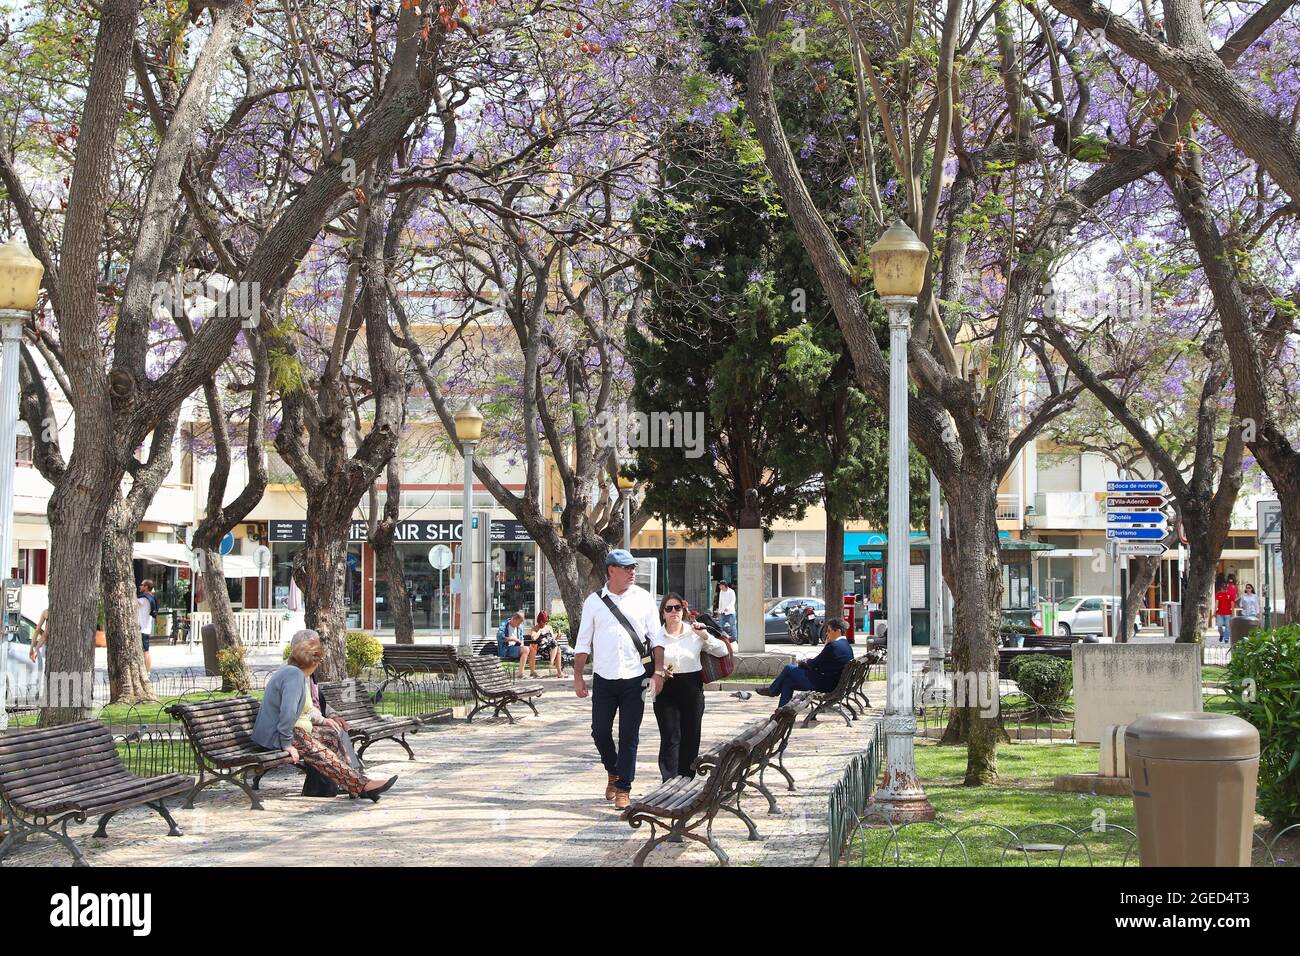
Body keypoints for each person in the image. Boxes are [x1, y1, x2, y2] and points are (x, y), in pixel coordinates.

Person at [251, 634, 397, 802]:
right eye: (319, 661)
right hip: (277, 735)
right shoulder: (294, 676)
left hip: (291, 730)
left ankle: (354, 785)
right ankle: (363, 785)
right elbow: (288, 712)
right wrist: (287, 744)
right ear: (313, 662)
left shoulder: (295, 673)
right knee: (317, 750)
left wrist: (324, 719)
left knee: (331, 735)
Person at [573, 549, 664, 811]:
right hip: (604, 677)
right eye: (626, 568)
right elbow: (583, 642)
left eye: (633, 567)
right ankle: (613, 770)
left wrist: (657, 672)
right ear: (611, 570)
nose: (632, 572)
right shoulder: (594, 601)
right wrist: (578, 676)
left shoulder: (644, 599)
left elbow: (656, 639)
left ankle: (624, 786)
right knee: (599, 731)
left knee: (629, 735)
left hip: (634, 678)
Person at [654, 592, 729, 782]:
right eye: (668, 608)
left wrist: (705, 635)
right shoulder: (656, 636)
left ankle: (686, 777)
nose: (673, 612)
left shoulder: (694, 632)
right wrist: (658, 669)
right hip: (666, 689)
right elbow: (645, 659)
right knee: (670, 736)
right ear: (663, 613)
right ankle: (669, 779)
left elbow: (722, 651)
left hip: (692, 687)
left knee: (691, 735)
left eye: (677, 608)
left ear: (683, 610)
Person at [287, 630, 362, 794]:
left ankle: (352, 775)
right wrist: (323, 719)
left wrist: (333, 715)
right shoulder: (294, 673)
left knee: (338, 728)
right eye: (314, 645)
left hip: (307, 723)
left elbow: (319, 701)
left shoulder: (308, 672)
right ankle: (349, 779)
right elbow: (303, 707)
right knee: (332, 732)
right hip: (300, 725)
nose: (319, 650)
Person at [756, 618, 853, 706]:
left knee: (789, 668)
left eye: (829, 631)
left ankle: (772, 691)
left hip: (824, 684)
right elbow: (823, 663)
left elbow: (815, 664)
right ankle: (781, 712)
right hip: (832, 683)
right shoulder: (846, 645)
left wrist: (806, 662)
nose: (827, 634)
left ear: (838, 631)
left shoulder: (834, 646)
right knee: (788, 682)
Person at [532, 610, 564, 679]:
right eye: (543, 621)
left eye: (546, 621)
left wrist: (558, 636)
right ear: (539, 620)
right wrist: (540, 631)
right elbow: (533, 638)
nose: (545, 623)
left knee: (557, 647)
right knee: (557, 648)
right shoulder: (535, 628)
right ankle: (558, 671)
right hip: (543, 650)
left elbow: (553, 638)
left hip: (551, 649)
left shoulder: (549, 627)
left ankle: (553, 664)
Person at [136, 579, 158, 673]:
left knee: (145, 651)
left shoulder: (144, 599)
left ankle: (147, 671)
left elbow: (132, 602)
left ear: (146, 587)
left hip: (142, 628)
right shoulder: (151, 597)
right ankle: (146, 671)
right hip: (145, 627)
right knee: (145, 650)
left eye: (142, 585)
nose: (140, 586)